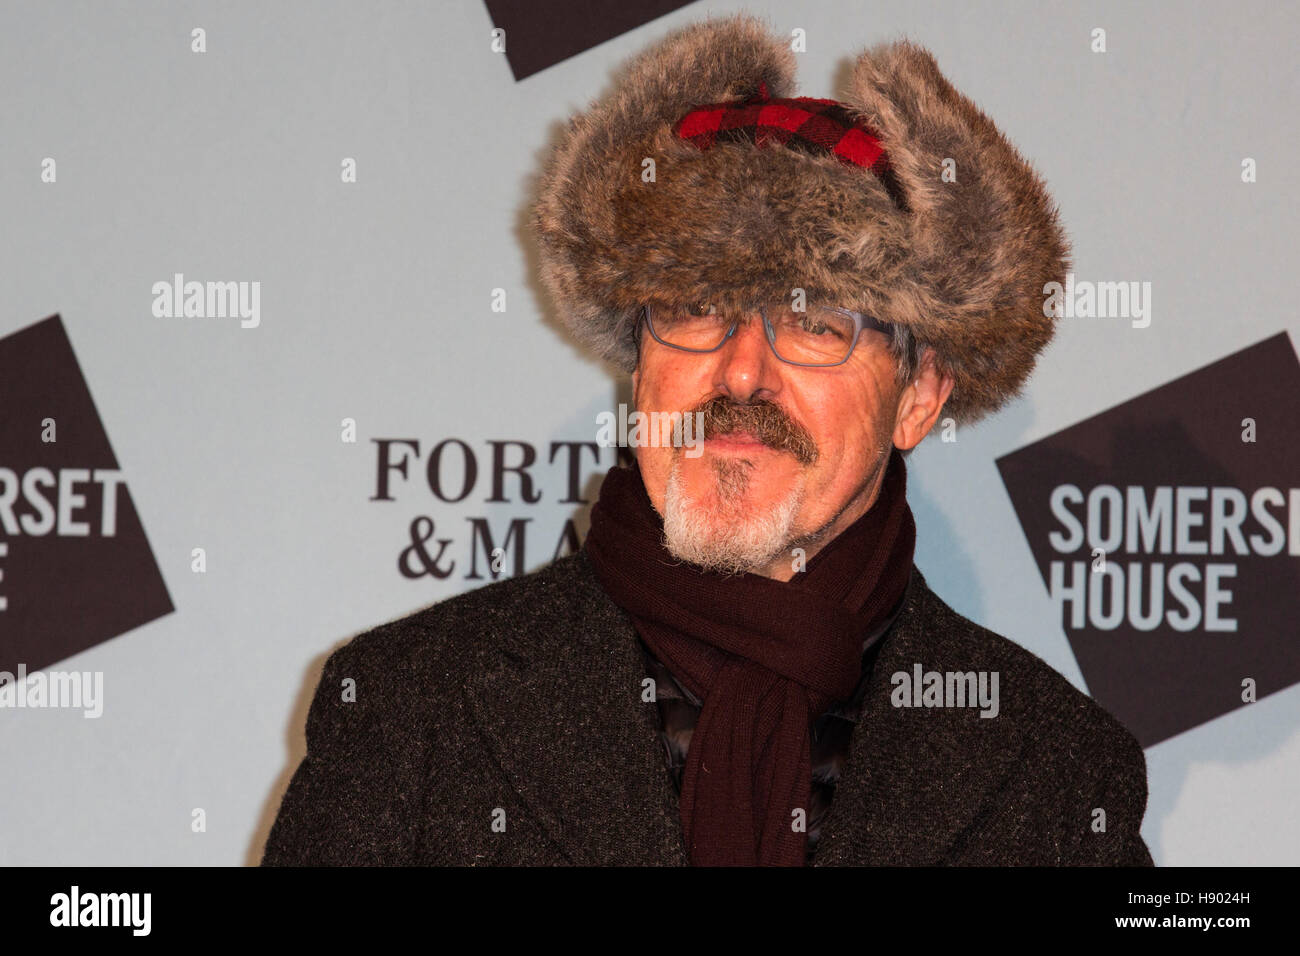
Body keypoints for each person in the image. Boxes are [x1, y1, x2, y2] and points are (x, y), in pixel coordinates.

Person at [262, 13, 1153, 867]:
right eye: (694, 309)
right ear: (638, 359)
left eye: (811, 325)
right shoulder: (411, 711)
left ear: (919, 395)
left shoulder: (1054, 774)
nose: (739, 374)